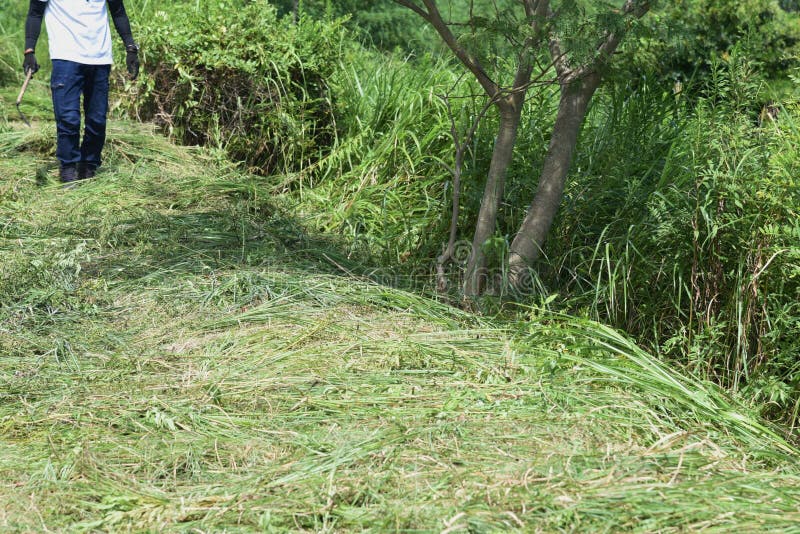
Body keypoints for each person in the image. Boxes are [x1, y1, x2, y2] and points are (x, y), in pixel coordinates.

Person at [23, 0, 140, 183]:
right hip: (65, 58)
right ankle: (68, 171)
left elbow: (118, 11)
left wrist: (130, 47)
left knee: (97, 120)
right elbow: (35, 13)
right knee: (68, 119)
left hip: (100, 59)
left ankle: (88, 169)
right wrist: (29, 50)